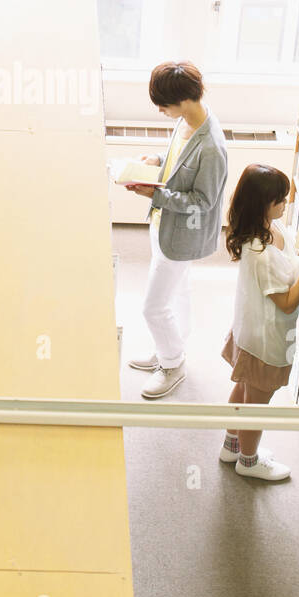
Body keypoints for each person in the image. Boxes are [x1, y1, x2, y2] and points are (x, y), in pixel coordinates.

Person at [220, 165, 299, 482]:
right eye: (280, 199)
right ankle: (248, 461)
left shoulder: (267, 228)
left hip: (250, 332)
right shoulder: (261, 252)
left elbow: (287, 260)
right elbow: (288, 302)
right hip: (264, 342)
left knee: (243, 389)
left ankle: (231, 446)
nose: (286, 204)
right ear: (264, 203)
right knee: (256, 406)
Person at [124, 61, 228, 400]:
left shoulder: (212, 147)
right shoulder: (186, 121)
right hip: (163, 225)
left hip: (181, 234)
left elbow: (203, 201)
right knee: (177, 292)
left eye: (163, 104)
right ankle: (169, 348)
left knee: (153, 307)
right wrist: (157, 159)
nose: (160, 110)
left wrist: (155, 195)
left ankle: (172, 364)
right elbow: (179, 160)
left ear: (183, 100)